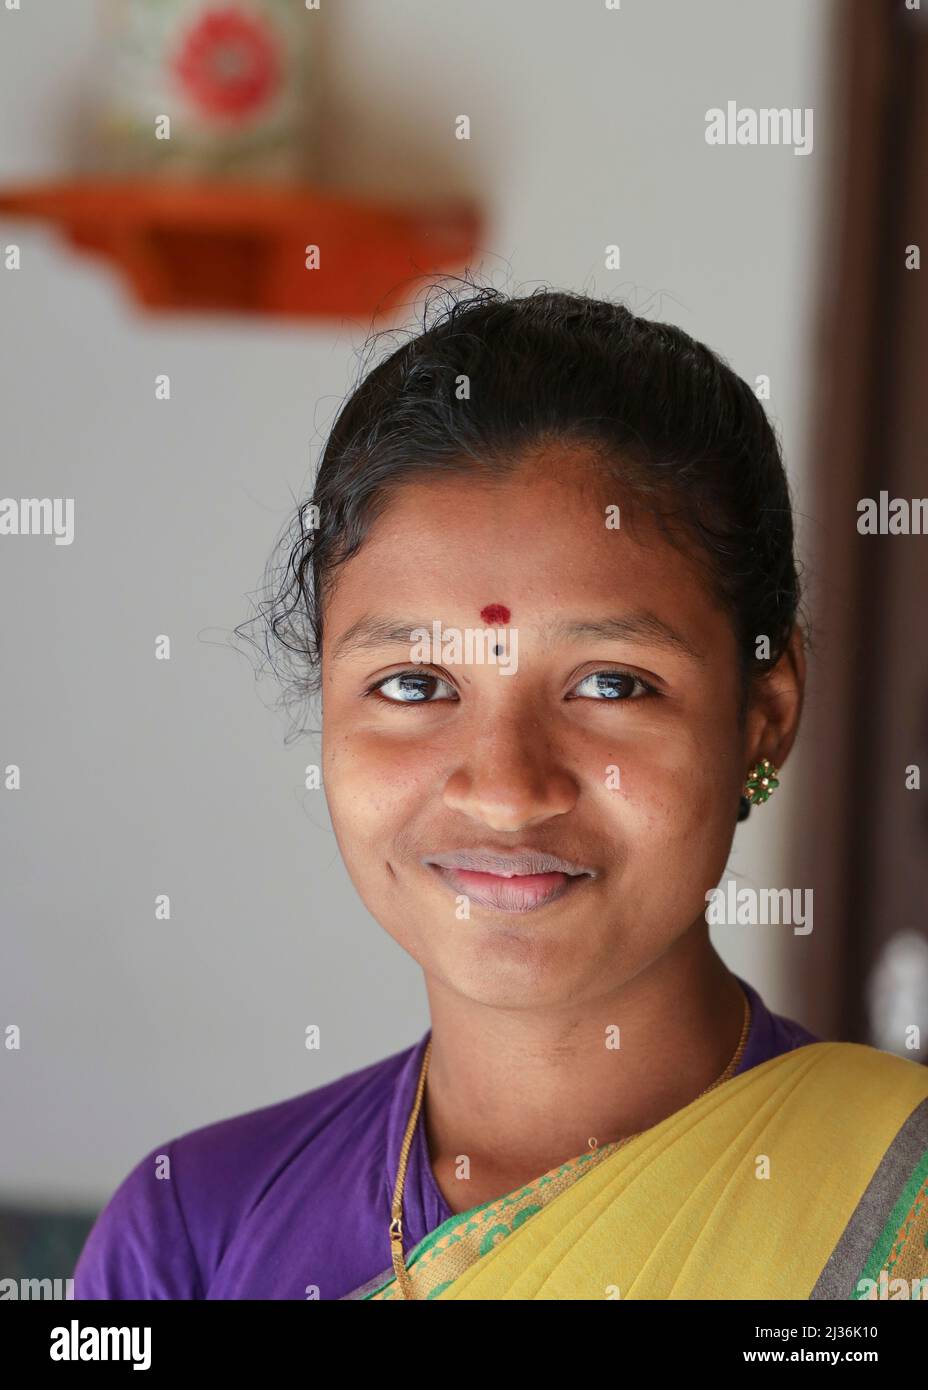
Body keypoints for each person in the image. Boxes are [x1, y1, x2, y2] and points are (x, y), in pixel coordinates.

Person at [73, 285, 928, 1301]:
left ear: (763, 714)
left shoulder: (896, 1198)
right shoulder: (194, 1232)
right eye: (414, 686)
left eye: (611, 683)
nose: (507, 790)